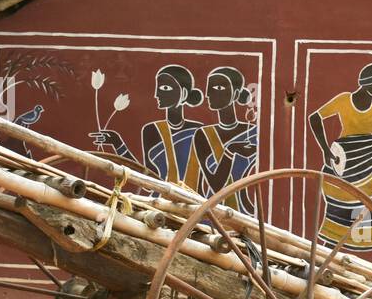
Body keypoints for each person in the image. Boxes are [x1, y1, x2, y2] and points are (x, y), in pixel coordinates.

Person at [308, 56, 372, 252]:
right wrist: (325, 150)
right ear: (370, 84)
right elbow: (315, 117)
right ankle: (322, 257)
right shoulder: (345, 100)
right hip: (340, 166)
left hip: (362, 171)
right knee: (340, 221)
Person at [90, 65, 204, 183]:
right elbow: (146, 180)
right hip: (158, 199)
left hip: (199, 200)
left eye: (165, 88)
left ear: (184, 94)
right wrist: (118, 143)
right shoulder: (152, 130)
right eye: (158, 88)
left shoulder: (199, 131)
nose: (156, 94)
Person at [182, 66, 259, 213]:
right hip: (216, 215)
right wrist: (231, 150)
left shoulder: (253, 132)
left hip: (249, 214)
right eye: (209, 88)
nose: (209, 94)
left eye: (218, 87)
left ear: (235, 94)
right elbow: (216, 185)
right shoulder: (203, 134)